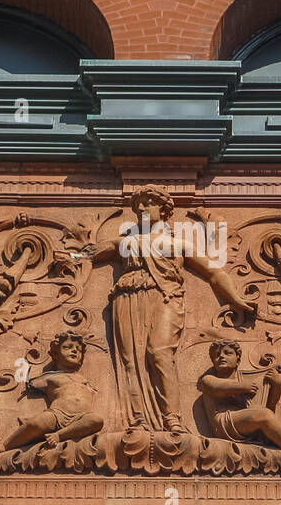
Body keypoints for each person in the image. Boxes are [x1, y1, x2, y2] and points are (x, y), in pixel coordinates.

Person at [90, 186, 254, 434]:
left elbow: (214, 273)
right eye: (137, 207)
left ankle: (172, 418)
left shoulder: (178, 245)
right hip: (128, 299)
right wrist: (69, 256)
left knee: (159, 353)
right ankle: (138, 418)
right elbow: (85, 255)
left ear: (164, 209)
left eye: (147, 203)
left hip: (166, 297)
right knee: (131, 361)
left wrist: (236, 299)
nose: (141, 209)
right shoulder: (126, 242)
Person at [198, 340, 281, 455]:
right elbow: (217, 387)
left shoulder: (244, 380)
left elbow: (270, 408)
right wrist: (243, 386)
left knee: (269, 421)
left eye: (228, 353)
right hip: (224, 422)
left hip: (244, 422)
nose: (221, 356)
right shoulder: (208, 379)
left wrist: (276, 385)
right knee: (263, 415)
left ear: (238, 360)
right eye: (217, 354)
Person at [2, 330, 105, 450]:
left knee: (96, 420)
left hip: (81, 417)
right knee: (36, 423)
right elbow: (30, 382)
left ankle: (58, 435)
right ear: (56, 354)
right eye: (68, 347)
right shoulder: (50, 377)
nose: (75, 350)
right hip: (58, 415)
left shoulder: (84, 380)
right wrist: (24, 367)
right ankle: (5, 445)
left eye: (79, 349)